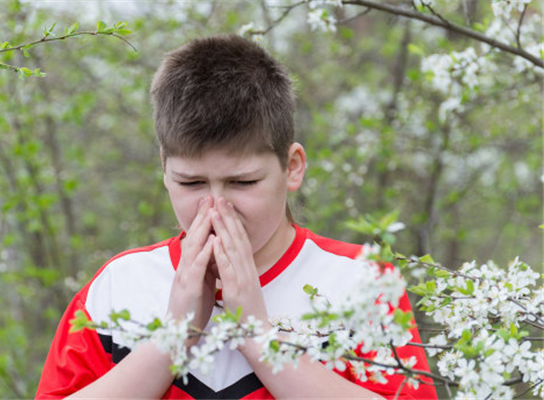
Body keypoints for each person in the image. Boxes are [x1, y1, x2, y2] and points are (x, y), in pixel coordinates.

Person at [36, 34, 438, 400]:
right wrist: (173, 338)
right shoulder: (117, 288)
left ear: (293, 167)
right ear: (164, 168)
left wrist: (259, 339)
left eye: (243, 183)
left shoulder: (361, 283)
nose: (215, 207)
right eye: (191, 183)